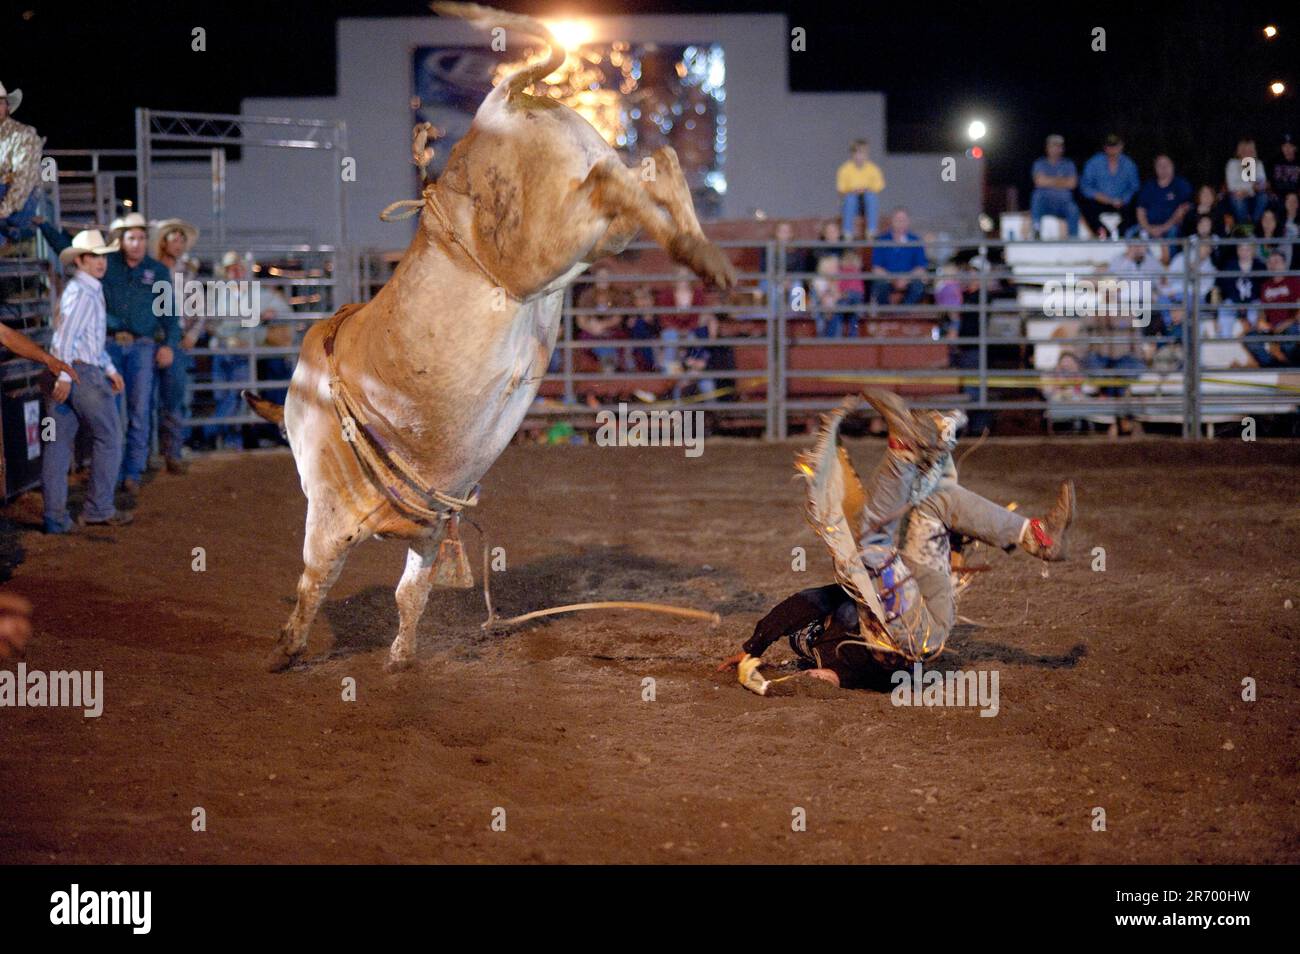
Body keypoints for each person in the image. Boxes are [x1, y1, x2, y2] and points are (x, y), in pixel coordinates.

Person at [717, 389, 1076, 692]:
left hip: (922, 610)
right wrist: (775, 655)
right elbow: (820, 649)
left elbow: (800, 606)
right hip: (906, 638)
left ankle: (1036, 536)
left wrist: (753, 648)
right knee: (873, 546)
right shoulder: (836, 654)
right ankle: (905, 449)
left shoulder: (840, 609)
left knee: (937, 503)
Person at [40, 230, 132, 533]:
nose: (100, 262)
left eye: (102, 256)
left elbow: (80, 339)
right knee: (109, 437)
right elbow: (67, 338)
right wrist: (67, 374)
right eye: (94, 256)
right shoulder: (85, 292)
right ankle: (98, 508)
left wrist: (107, 367)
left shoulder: (81, 290)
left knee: (58, 445)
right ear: (80, 260)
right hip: (79, 374)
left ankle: (55, 517)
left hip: (68, 370)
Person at [103, 212, 172, 493]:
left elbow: (169, 311)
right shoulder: (107, 265)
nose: (137, 243)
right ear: (122, 240)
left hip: (142, 346)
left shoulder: (157, 271)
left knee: (138, 410)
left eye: (142, 238)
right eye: (132, 238)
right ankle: (116, 471)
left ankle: (131, 471)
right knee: (113, 411)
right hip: (111, 346)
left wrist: (168, 343)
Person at [151, 218, 200, 474]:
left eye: (181, 240)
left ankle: (172, 452)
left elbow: (198, 308)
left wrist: (192, 333)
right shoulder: (150, 269)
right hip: (152, 337)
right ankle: (152, 455)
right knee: (148, 400)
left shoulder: (188, 273)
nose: (178, 244)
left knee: (173, 398)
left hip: (177, 339)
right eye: (174, 239)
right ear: (163, 242)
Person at [0, 81, 43, 256]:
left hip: (18, 204)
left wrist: (3, 210)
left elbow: (24, 178)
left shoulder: (24, 134)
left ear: (7, 107)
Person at [1244, 250, 1300, 367]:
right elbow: (1263, 310)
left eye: (1276, 262)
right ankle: (1273, 365)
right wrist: (1261, 322)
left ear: (1284, 264)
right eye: (1270, 262)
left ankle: (1295, 365)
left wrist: (1285, 324)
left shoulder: (1293, 281)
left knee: (1290, 337)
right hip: (1272, 327)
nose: (1273, 265)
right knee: (1250, 338)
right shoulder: (1265, 285)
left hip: (1290, 325)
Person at [1078, 134, 1140, 238]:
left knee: (1136, 207)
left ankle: (1121, 235)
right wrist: (1100, 197)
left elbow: (1134, 187)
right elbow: (1085, 186)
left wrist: (1123, 199)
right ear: (1105, 148)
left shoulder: (1129, 164)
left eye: (1115, 146)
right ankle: (1102, 234)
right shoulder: (1094, 162)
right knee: (1085, 206)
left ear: (1121, 146)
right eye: (1109, 146)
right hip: (1100, 201)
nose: (1112, 149)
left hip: (1121, 203)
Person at [871, 207, 927, 305]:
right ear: (891, 221)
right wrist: (893, 279)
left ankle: (902, 313)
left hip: (909, 279)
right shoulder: (881, 240)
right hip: (887, 279)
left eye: (903, 220)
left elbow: (920, 268)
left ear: (908, 221)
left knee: (918, 286)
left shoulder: (916, 240)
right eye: (897, 220)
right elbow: (876, 268)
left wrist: (906, 279)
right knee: (879, 285)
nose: (900, 222)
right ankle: (886, 314)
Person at [1029, 134, 1080, 237]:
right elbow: (1039, 182)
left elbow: (1072, 184)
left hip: (1063, 204)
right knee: (1036, 196)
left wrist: (1048, 181)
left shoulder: (1068, 164)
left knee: (1073, 208)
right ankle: (1036, 230)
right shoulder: (1039, 163)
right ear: (1047, 148)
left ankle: (1073, 237)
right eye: (1053, 146)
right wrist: (1062, 181)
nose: (1056, 149)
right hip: (1045, 204)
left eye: (1059, 146)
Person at [1134, 154, 1192, 238]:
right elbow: (1140, 211)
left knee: (1173, 233)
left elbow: (1183, 209)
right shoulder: (1148, 186)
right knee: (1130, 233)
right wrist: (1149, 228)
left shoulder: (1181, 185)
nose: (1163, 168)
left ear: (1173, 166)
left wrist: (1163, 228)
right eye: (1160, 165)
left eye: (1166, 164)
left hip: (1170, 226)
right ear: (1155, 168)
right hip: (1149, 226)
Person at [1215, 240, 1266, 336]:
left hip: (1253, 301)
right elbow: (1225, 288)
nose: (1244, 253)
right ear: (1238, 251)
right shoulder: (1230, 266)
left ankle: (1253, 339)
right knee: (1225, 311)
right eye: (1242, 249)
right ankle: (1225, 340)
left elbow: (1261, 289)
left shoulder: (1259, 266)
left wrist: (1248, 303)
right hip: (1233, 301)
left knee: (1254, 316)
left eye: (1247, 250)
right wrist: (1238, 303)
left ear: (1252, 251)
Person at [836, 139, 885, 239]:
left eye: (862, 153)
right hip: (852, 202)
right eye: (856, 153)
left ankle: (871, 231)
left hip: (867, 202)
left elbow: (878, 187)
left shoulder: (873, 169)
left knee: (871, 197)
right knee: (850, 198)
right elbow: (841, 190)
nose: (859, 156)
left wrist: (865, 190)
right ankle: (847, 232)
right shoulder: (844, 169)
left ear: (867, 154)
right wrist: (853, 191)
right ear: (852, 154)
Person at [1224, 138, 1269, 226]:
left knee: (1263, 197)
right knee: (1238, 199)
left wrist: (1247, 190)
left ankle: (1253, 225)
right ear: (1239, 151)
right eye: (1245, 150)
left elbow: (1262, 184)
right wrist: (1250, 188)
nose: (1248, 153)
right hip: (1237, 196)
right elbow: (1231, 185)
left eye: (1251, 150)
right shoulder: (1232, 163)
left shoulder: (1258, 164)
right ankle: (1244, 227)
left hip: (1253, 196)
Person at [1273, 135, 1300, 206]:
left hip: (1294, 196)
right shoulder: (1275, 161)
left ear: (1295, 148)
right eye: (1284, 146)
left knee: (1292, 199)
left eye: (1290, 146)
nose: (1287, 149)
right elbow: (1269, 182)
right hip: (1277, 195)